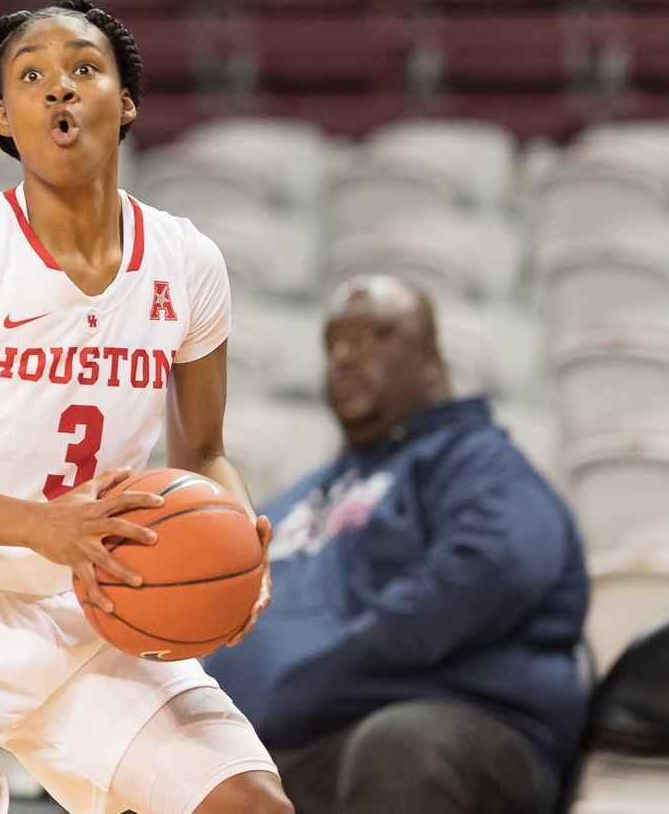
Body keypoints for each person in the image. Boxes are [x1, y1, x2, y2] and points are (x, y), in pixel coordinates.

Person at [0, 0, 292, 814]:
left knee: (250, 805)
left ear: (128, 99)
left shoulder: (187, 261)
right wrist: (42, 526)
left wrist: (238, 538)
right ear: (5, 118)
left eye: (84, 68)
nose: (60, 88)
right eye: (32, 75)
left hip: (95, 608)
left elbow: (204, 449)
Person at [203, 275, 591, 814]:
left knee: (400, 746)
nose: (344, 356)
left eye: (374, 336)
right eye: (334, 341)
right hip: (296, 738)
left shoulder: (477, 462)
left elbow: (494, 569)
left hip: (460, 726)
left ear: (432, 359)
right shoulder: (302, 496)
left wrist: (316, 679)